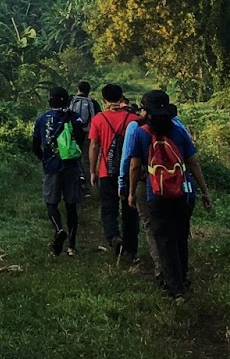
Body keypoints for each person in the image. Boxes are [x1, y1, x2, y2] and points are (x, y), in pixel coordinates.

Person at [127, 89, 213, 298]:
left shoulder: (141, 133)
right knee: (180, 237)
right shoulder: (179, 131)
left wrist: (130, 192)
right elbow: (193, 163)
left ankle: (176, 289)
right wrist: (205, 192)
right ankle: (183, 279)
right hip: (184, 193)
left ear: (147, 112)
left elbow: (134, 166)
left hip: (157, 194)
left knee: (164, 241)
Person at [87, 84, 139, 261]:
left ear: (104, 99)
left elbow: (94, 145)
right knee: (130, 210)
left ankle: (114, 237)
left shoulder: (99, 119)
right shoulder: (133, 119)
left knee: (108, 209)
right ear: (121, 97)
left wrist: (92, 171)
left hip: (106, 171)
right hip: (130, 172)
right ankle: (131, 251)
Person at [31, 86, 86, 256]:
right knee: (71, 205)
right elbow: (81, 138)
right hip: (71, 166)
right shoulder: (74, 117)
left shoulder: (41, 119)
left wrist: (44, 159)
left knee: (51, 203)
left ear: (50, 100)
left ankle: (58, 229)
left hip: (51, 166)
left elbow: (35, 145)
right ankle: (72, 245)